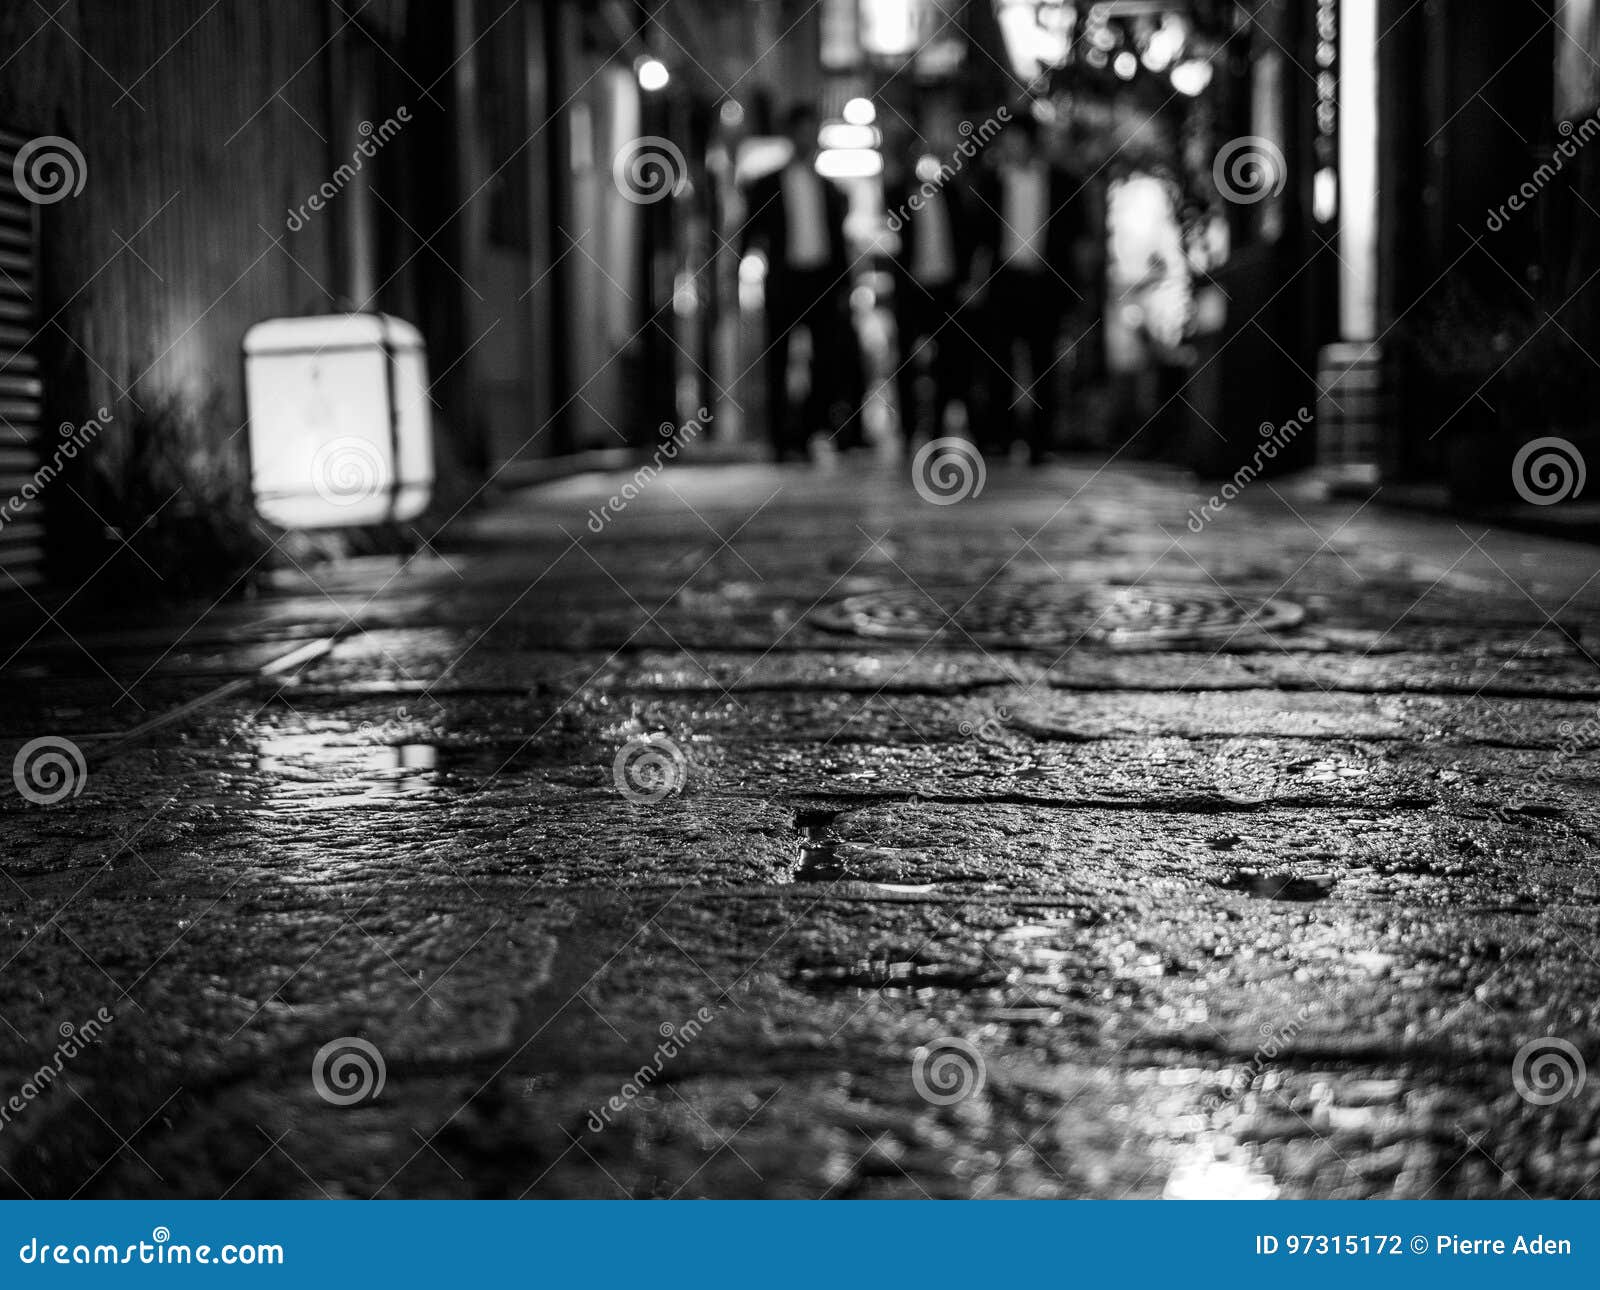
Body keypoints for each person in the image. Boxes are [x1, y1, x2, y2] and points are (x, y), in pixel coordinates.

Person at [741, 105, 863, 460]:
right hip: (784, 281)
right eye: (804, 130)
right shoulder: (767, 183)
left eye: (814, 130)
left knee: (825, 361)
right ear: (792, 134)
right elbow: (751, 233)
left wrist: (845, 285)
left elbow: (838, 241)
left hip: (822, 281)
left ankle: (810, 430)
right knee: (778, 360)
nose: (810, 138)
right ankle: (781, 440)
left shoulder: (828, 187)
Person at [974, 115, 1083, 462]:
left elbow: (1073, 237)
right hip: (1004, 280)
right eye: (1008, 139)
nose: (1011, 146)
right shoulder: (992, 182)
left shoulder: (1060, 182)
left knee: (1043, 363)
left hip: (1043, 281)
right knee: (1000, 361)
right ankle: (1000, 438)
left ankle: (1040, 441)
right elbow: (979, 237)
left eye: (1017, 138)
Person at [887, 131, 980, 448]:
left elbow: (966, 238)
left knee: (948, 361)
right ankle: (909, 429)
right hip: (912, 290)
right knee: (906, 362)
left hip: (946, 289)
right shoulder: (897, 194)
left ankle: (938, 429)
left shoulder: (952, 194)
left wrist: (966, 281)